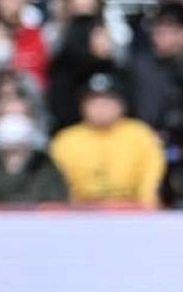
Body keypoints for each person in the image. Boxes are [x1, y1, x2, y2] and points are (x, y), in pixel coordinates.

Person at [49, 73, 166, 205]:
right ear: (82, 106)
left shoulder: (140, 134)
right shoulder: (66, 140)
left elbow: (150, 185)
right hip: (81, 213)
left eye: (108, 102)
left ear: (122, 105)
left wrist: (145, 208)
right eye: (94, 102)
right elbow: (59, 187)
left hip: (131, 211)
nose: (101, 108)